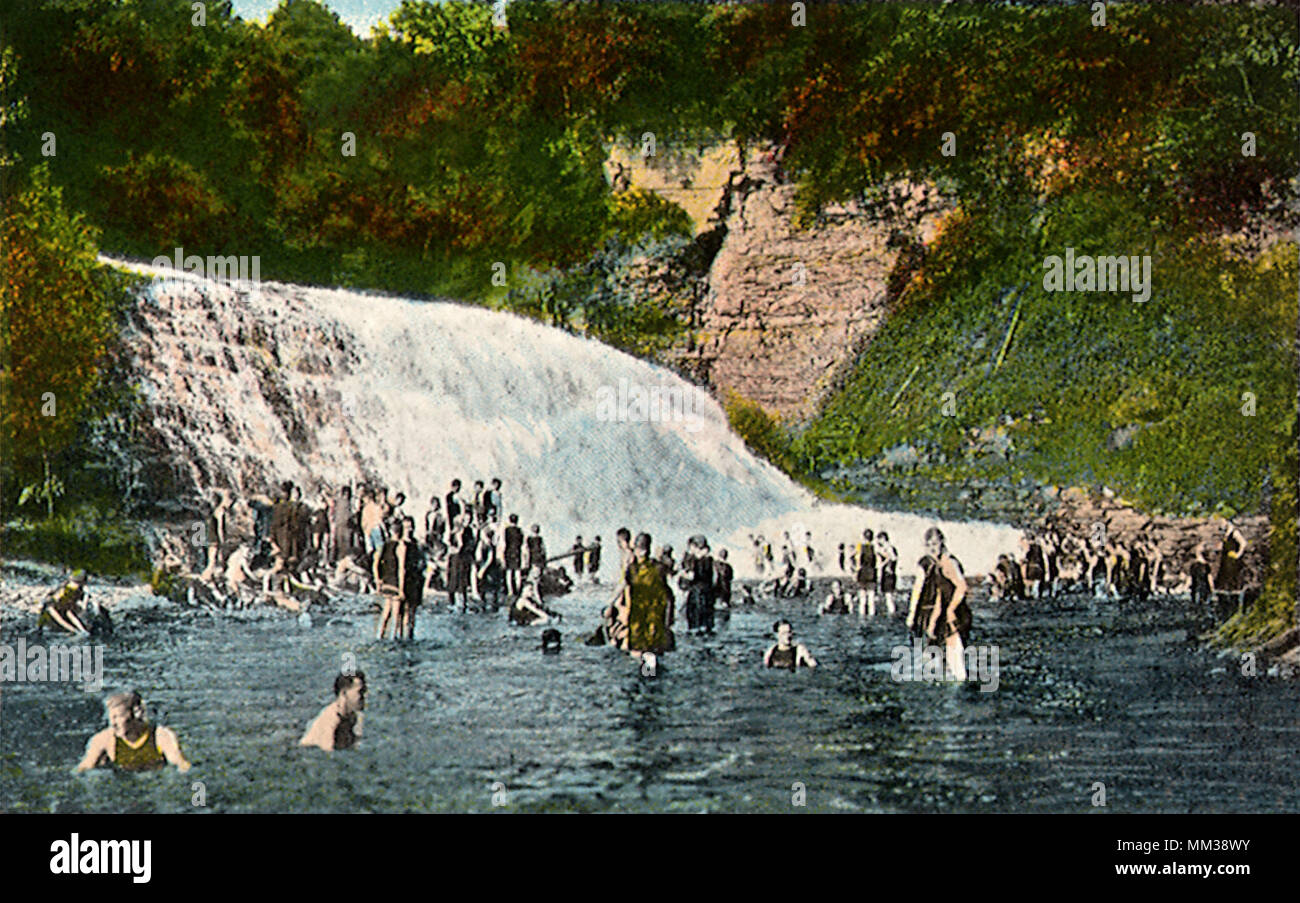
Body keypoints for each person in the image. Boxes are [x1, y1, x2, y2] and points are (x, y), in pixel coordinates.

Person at [76, 691, 191, 772]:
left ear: (136, 714)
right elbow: (84, 768)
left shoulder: (161, 736)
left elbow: (182, 765)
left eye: (118, 717)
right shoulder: (104, 739)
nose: (113, 723)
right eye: (111, 718)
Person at [916, 527, 970, 681]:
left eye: (935, 543)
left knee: (955, 655)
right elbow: (940, 597)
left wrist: (951, 610)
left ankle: (962, 689)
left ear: (942, 542)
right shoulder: (938, 564)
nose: (932, 547)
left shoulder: (949, 562)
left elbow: (962, 587)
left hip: (957, 612)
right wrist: (932, 622)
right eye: (929, 545)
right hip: (946, 612)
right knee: (945, 655)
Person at [623, 533, 673, 659]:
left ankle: (645, 674)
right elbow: (668, 595)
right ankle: (650, 674)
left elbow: (627, 591)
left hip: (641, 616)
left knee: (640, 653)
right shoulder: (658, 568)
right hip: (651, 616)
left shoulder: (633, 569)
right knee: (651, 654)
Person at [300, 672, 367, 751]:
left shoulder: (353, 717)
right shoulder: (330, 719)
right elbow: (327, 754)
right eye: (360, 692)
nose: (364, 696)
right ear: (344, 693)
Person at [373, 525, 407, 639]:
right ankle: (393, 638)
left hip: (386, 581)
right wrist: (402, 589)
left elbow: (376, 563)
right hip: (396, 581)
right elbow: (401, 568)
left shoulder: (385, 545)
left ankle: (380, 635)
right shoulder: (401, 546)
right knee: (396, 613)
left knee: (386, 611)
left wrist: (378, 580)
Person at [37, 570, 91, 635]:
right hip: (54, 604)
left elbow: (85, 596)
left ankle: (81, 630)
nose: (75, 585)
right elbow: (50, 594)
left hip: (63, 604)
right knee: (57, 613)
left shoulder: (74, 586)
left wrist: (84, 604)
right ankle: (76, 631)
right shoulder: (65, 585)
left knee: (68, 612)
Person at [682, 536, 716, 633]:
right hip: (707, 592)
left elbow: (691, 576)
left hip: (696, 592)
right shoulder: (709, 560)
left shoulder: (693, 560)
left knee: (695, 617)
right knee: (706, 621)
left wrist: (682, 574)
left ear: (695, 546)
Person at [400, 518, 425, 639]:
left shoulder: (415, 543)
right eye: (406, 527)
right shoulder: (401, 543)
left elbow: (421, 559)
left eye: (411, 527)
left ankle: (410, 634)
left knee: (413, 609)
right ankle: (401, 634)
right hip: (405, 577)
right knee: (403, 609)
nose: (409, 530)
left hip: (415, 578)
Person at [446, 513, 474, 611]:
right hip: (457, 557)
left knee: (460, 579)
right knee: (457, 579)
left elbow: (463, 545)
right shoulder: (457, 532)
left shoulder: (466, 531)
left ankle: (460, 602)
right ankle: (457, 602)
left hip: (461, 557)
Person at [1215, 520, 1247, 594]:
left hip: (1233, 559)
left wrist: (1238, 554)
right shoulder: (1226, 533)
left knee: (1233, 577)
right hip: (1226, 558)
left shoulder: (1235, 532)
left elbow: (1243, 543)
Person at [875, 531, 898, 615]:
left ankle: (892, 613)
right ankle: (891, 612)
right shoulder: (886, 548)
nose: (878, 542)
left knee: (889, 596)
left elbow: (893, 558)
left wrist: (883, 563)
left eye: (879, 540)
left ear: (883, 539)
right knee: (888, 596)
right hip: (887, 574)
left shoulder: (889, 548)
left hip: (889, 574)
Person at [854, 529, 877, 616]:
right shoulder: (875, 547)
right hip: (871, 573)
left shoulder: (860, 546)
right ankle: (872, 617)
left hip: (863, 573)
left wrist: (855, 570)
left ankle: (862, 616)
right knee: (871, 600)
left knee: (862, 600)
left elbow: (857, 558)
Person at [502, 514, 525, 596]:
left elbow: (505, 540)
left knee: (509, 572)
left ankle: (510, 591)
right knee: (517, 572)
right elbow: (522, 542)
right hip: (517, 551)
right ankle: (518, 590)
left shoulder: (506, 530)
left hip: (508, 550)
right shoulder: (520, 530)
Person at [1188, 543, 1214, 609]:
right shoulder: (1205, 565)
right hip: (1203, 587)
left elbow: (1190, 578)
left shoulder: (1194, 565)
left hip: (1196, 588)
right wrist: (1212, 587)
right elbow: (1209, 577)